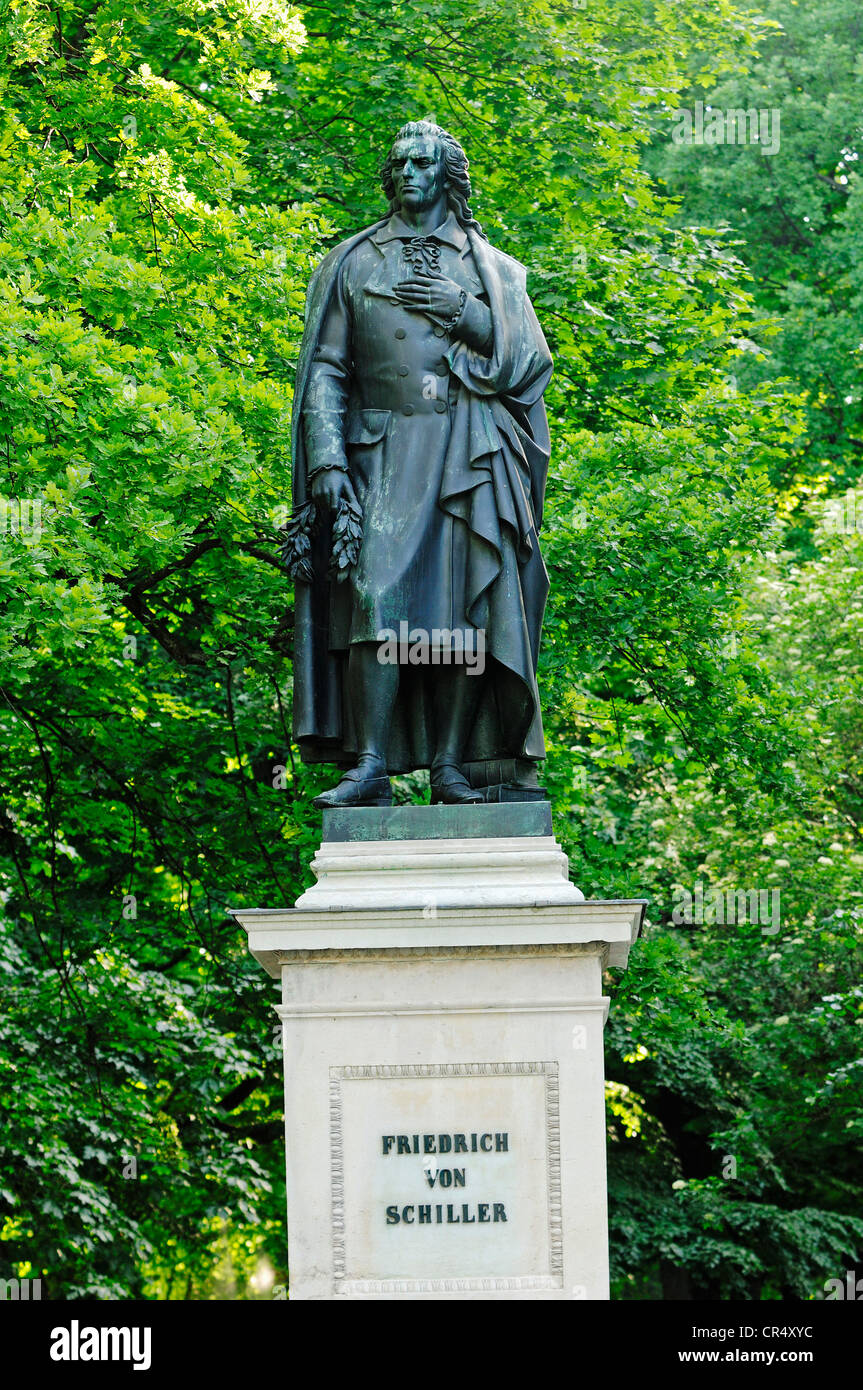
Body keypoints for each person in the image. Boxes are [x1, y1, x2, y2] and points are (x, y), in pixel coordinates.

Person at [290, 120, 553, 807]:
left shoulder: (488, 268)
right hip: (384, 453)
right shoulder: (354, 261)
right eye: (398, 163)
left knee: (462, 609)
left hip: (468, 448)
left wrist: (463, 311)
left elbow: (528, 362)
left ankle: (449, 765)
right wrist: (325, 460)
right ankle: (371, 761)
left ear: (447, 177)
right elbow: (325, 367)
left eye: (421, 164)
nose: (407, 173)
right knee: (378, 600)